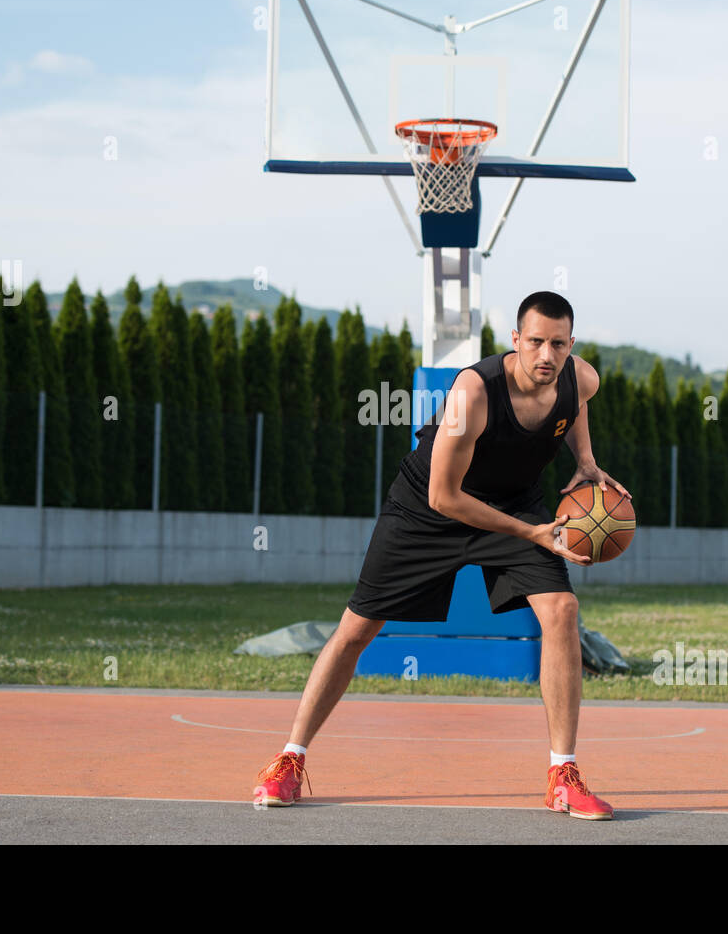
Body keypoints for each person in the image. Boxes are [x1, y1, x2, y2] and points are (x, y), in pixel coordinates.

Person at [253, 291, 631, 820]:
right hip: (427, 509)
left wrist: (586, 460)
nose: (547, 355)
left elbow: (577, 405)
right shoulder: (474, 392)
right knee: (357, 629)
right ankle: (289, 760)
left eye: (559, 344)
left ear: (572, 345)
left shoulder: (579, 378)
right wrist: (530, 534)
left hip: (515, 501)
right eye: (537, 342)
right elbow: (443, 497)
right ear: (516, 341)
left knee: (562, 610)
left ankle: (562, 775)